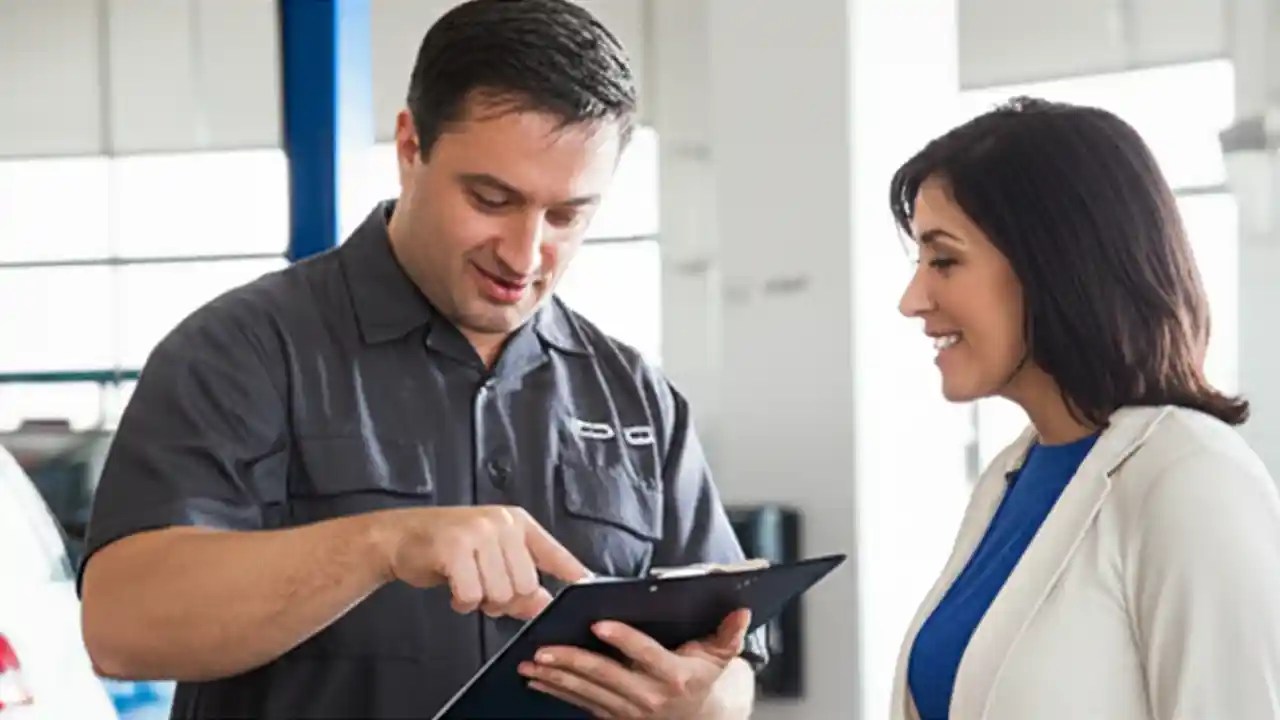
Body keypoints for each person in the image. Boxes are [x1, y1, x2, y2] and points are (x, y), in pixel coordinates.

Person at [78, 1, 763, 718]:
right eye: (491, 198)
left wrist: (701, 705)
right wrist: (379, 544)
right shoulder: (240, 353)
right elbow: (123, 630)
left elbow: (729, 661)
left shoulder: (634, 395)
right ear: (411, 146)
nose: (525, 256)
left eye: (567, 216)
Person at [887, 97, 1280, 720]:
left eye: (945, 260)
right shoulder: (1009, 478)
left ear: (1054, 263)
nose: (913, 300)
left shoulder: (1191, 479)